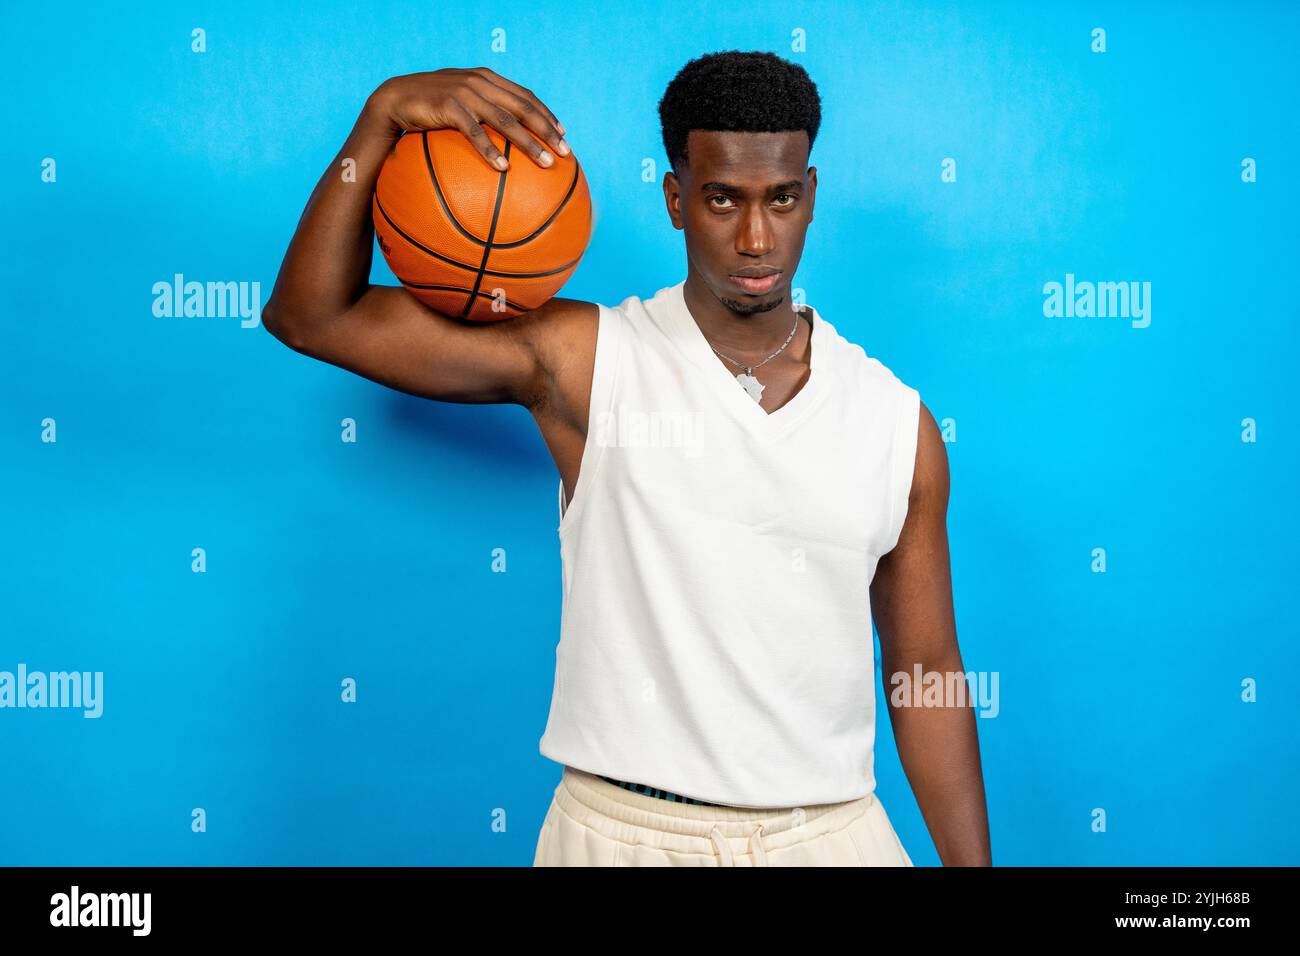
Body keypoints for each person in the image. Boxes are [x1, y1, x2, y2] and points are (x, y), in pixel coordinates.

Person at [262, 51, 991, 867]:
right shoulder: (584, 361)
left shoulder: (894, 422)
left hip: (826, 836)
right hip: (620, 835)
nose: (757, 237)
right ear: (676, 200)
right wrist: (381, 115)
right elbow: (313, 316)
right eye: (723, 199)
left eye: (780, 199)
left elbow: (925, 674)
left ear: (811, 196)